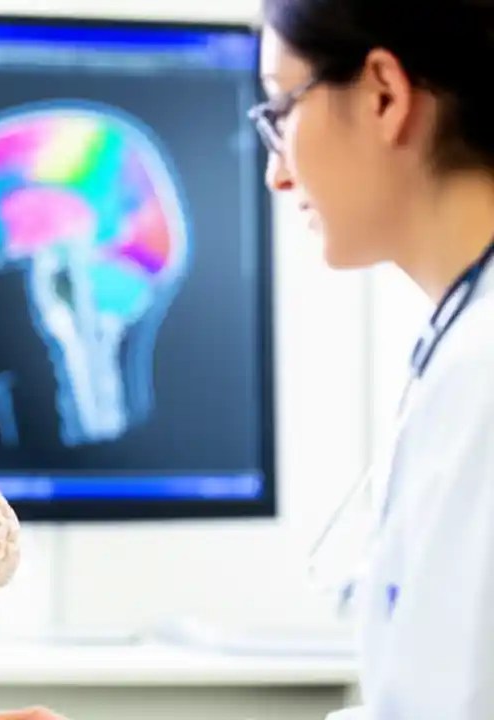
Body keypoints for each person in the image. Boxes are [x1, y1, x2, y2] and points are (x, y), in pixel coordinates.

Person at [254, 0, 494, 717]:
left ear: (384, 95)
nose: (278, 174)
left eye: (280, 109)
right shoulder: (463, 349)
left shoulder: (482, 378)